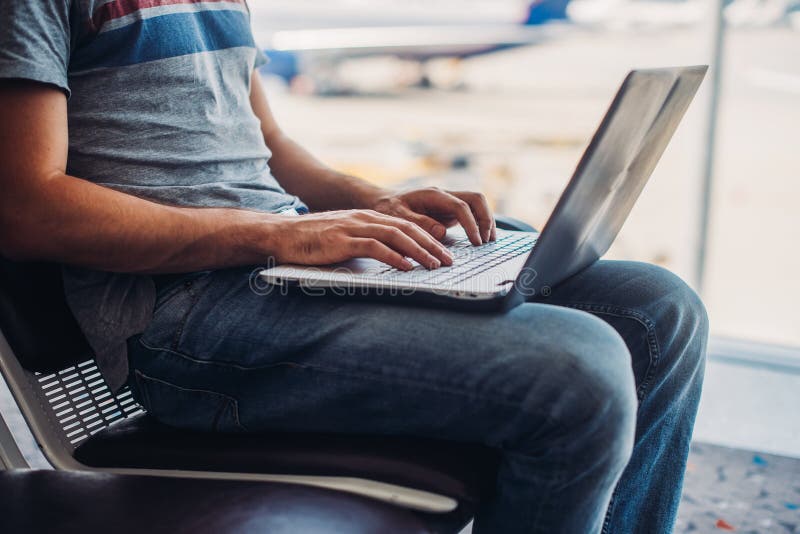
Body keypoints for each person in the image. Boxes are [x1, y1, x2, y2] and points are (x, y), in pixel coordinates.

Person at [0, 1, 707, 532]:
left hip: (280, 264)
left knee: (658, 310)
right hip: (186, 319)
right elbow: (25, 208)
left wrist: (378, 205)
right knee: (580, 372)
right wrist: (272, 237)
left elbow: (270, 146)